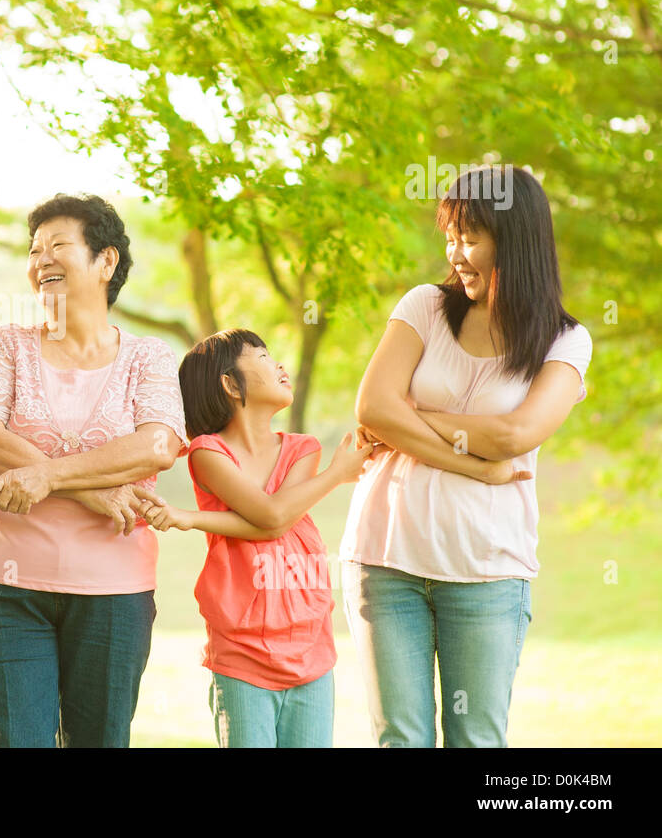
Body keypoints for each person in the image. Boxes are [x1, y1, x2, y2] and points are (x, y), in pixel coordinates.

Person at [343, 165, 592, 747]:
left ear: (515, 240)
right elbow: (372, 407)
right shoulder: (424, 306)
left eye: (470, 237)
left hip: (486, 571)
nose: (454, 254)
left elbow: (514, 435)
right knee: (400, 739)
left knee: (475, 740)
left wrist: (412, 414)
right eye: (450, 236)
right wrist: (474, 464)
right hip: (386, 559)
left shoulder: (564, 340)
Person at [0, 193, 186, 748]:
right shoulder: (8, 345)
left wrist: (51, 478)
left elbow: (157, 445)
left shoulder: (148, 356)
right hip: (3, 588)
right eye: (34, 250)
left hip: (114, 593)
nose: (41, 260)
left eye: (58, 245)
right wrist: (91, 490)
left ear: (106, 261)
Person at [146, 329, 373, 747]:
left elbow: (276, 520)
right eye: (263, 357)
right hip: (242, 650)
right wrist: (338, 474)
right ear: (231, 385)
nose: (279, 364)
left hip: (308, 639)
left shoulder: (303, 449)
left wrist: (191, 519)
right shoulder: (208, 453)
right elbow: (271, 515)